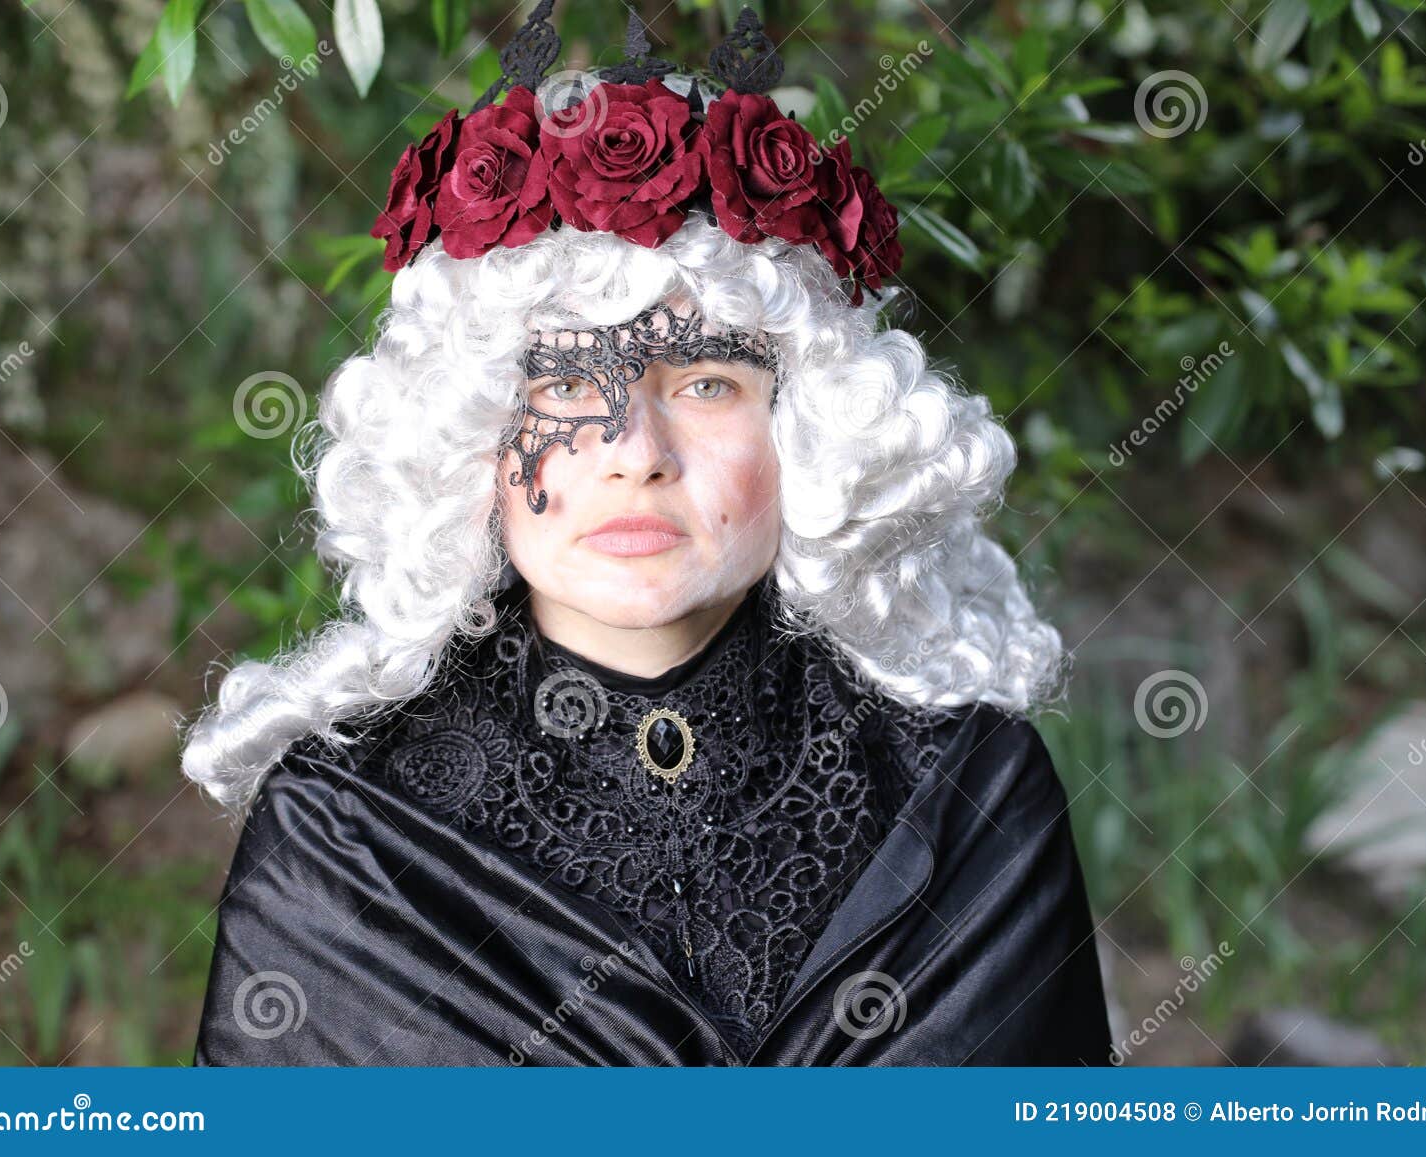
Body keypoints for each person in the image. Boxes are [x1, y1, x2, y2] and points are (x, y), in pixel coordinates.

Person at [184, 3, 1111, 1066]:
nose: (635, 449)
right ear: (472, 438)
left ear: (812, 428)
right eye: (569, 380)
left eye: (708, 380)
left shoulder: (965, 801)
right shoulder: (345, 836)